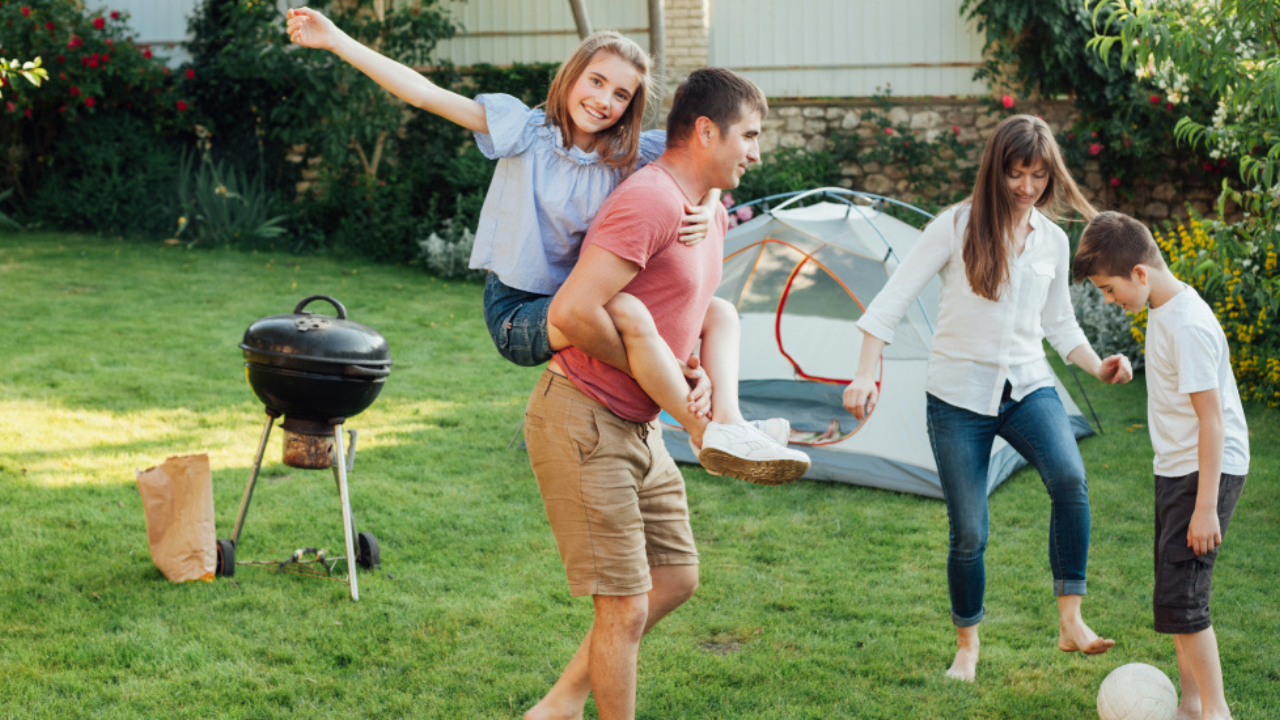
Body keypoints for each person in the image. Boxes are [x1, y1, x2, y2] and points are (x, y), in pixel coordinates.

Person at [285, 9, 806, 483]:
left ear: (632, 105)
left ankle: (734, 421)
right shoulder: (525, 132)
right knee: (627, 310)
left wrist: (710, 198)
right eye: (596, 81)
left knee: (720, 312)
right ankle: (700, 427)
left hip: (575, 303)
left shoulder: (627, 153)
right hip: (517, 311)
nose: (604, 101)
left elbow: (700, 154)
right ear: (570, 77)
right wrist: (336, 41)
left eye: (621, 95)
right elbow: (425, 94)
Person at [521, 67, 799, 720]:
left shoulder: (709, 210)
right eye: (750, 136)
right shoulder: (648, 200)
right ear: (706, 131)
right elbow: (570, 314)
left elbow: (693, 303)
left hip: (644, 426)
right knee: (622, 606)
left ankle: (558, 705)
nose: (757, 152)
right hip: (584, 417)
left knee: (675, 578)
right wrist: (655, 371)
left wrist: (689, 363)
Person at [841, 115, 1133, 682]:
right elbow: (891, 302)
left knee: (1070, 480)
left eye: (1039, 176)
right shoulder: (956, 225)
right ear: (995, 171)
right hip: (956, 397)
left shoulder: (1051, 238)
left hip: (1028, 387)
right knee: (970, 530)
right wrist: (863, 373)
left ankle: (1071, 621)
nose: (1027, 188)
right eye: (1017, 174)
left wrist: (1098, 366)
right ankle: (967, 645)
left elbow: (1059, 323)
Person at [1074, 211, 1247, 720]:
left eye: (1109, 289)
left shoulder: (1188, 324)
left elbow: (1212, 421)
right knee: (1174, 599)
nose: (1110, 300)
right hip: (1178, 470)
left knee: (1185, 598)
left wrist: (1205, 509)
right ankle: (1190, 706)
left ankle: (1216, 713)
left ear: (1140, 275)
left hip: (1203, 473)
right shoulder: (1167, 309)